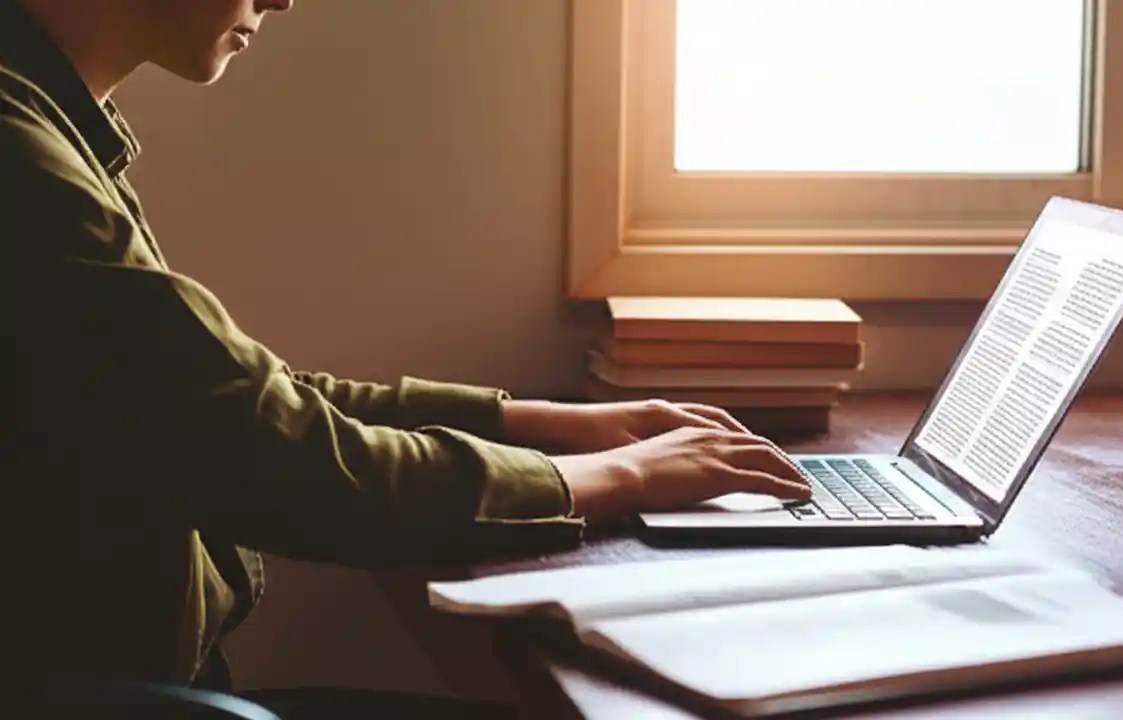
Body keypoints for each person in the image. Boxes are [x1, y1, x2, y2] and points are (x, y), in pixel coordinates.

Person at [1, 0, 811, 715]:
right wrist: (623, 476)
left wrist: (553, 424)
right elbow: (286, 462)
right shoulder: (21, 159)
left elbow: (247, 397)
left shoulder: (49, 127)